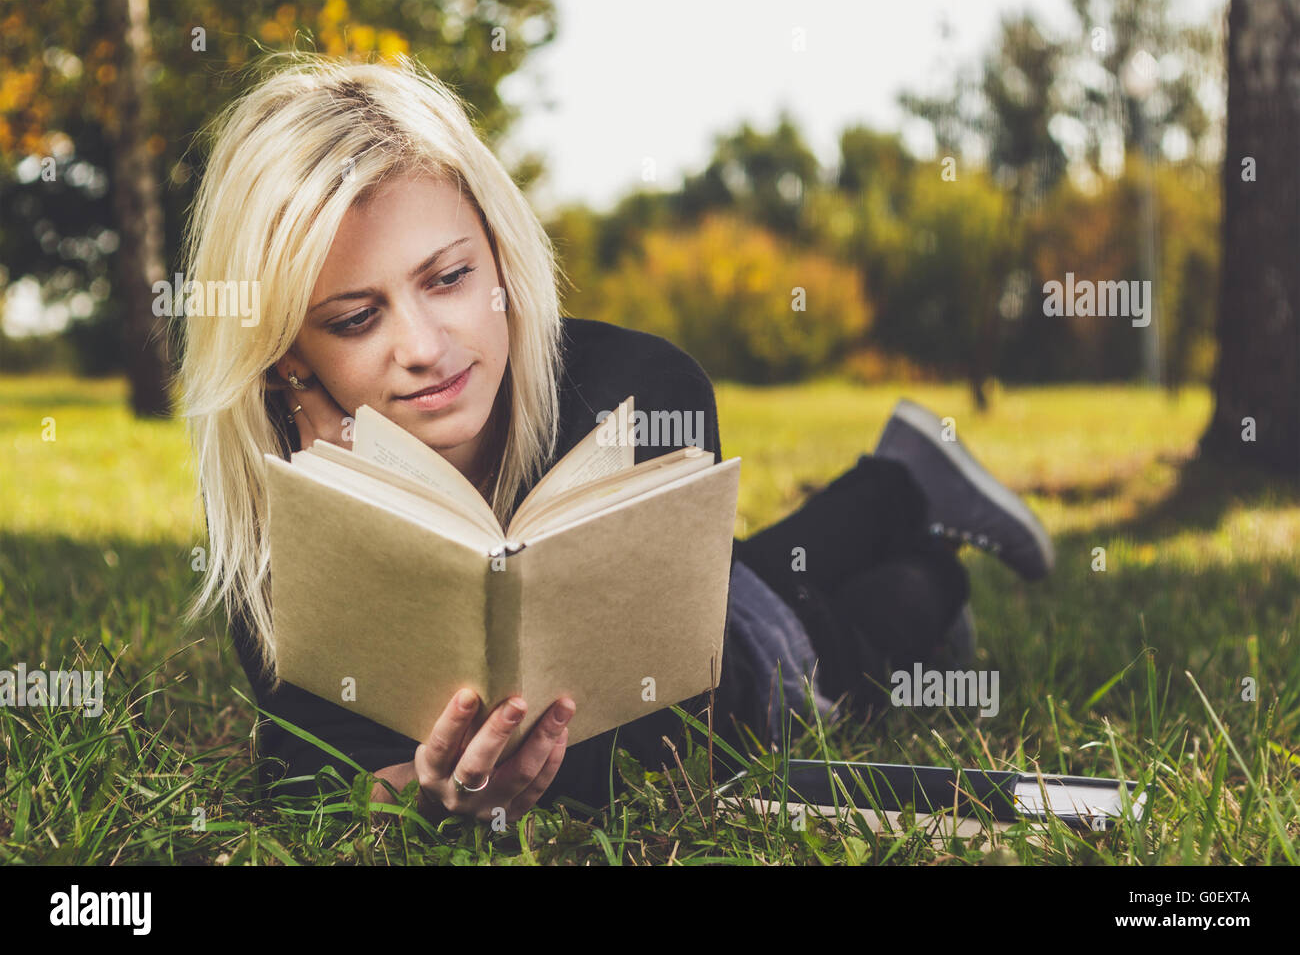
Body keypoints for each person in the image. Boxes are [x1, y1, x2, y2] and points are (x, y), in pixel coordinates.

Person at [175, 54, 1053, 824]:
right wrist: (423, 794)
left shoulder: (642, 389)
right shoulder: (276, 506)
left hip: (752, 665)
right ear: (289, 357)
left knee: (868, 607)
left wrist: (450, 783)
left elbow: (637, 746)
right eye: (357, 318)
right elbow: (304, 767)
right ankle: (904, 479)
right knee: (781, 560)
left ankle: (914, 509)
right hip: (721, 583)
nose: (424, 348)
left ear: (499, 250)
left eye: (448, 278)